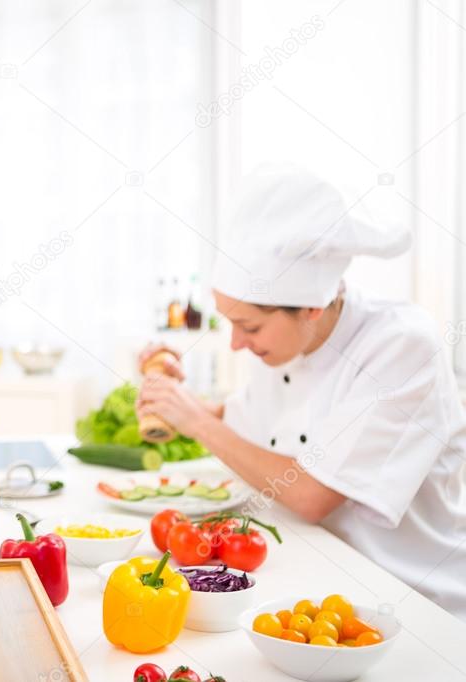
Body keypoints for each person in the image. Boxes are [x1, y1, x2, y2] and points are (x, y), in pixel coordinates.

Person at [137, 165, 466, 620]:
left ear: (311, 307)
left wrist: (191, 417)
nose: (236, 343)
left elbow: (312, 495)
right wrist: (171, 397)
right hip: (314, 579)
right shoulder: (287, 345)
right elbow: (236, 426)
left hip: (407, 602)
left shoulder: (403, 345)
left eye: (248, 326)